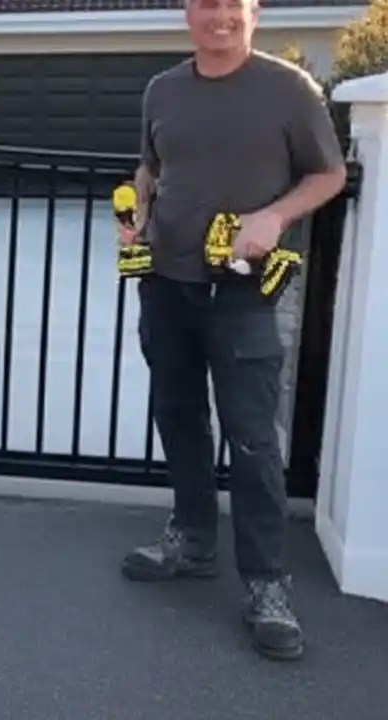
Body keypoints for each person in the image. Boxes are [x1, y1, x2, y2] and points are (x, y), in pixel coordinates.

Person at [115, 0, 347, 662]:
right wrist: (140, 217)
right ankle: (191, 539)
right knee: (178, 415)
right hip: (167, 283)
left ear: (254, 11)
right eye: (205, 4)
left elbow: (328, 174)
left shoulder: (287, 88)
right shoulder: (163, 89)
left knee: (251, 438)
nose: (219, 16)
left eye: (231, 4)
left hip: (244, 291)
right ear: (188, 12)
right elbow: (151, 168)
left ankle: (268, 584)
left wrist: (274, 216)